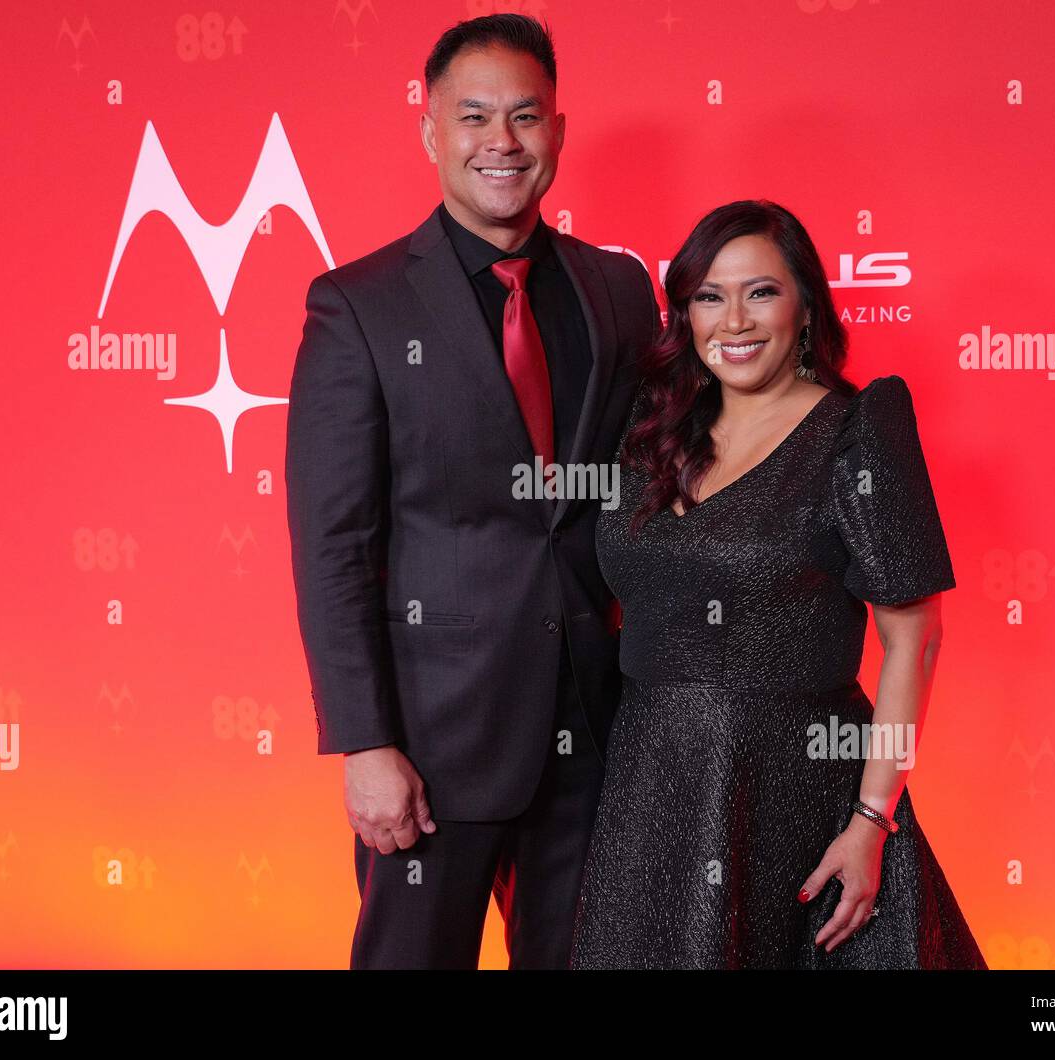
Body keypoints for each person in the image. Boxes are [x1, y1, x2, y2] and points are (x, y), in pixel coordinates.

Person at [284, 13, 660, 969]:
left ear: (558, 134)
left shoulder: (616, 290)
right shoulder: (359, 306)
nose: (503, 142)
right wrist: (366, 745)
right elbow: (331, 544)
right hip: (433, 741)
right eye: (476, 116)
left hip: (595, 729)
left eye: (526, 117)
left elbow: (654, 483)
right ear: (431, 132)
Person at [569, 200, 987, 969]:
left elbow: (916, 642)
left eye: (760, 292)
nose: (733, 320)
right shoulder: (650, 428)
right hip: (649, 779)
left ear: (805, 306)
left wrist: (871, 819)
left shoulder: (856, 431)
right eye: (708, 296)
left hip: (795, 787)